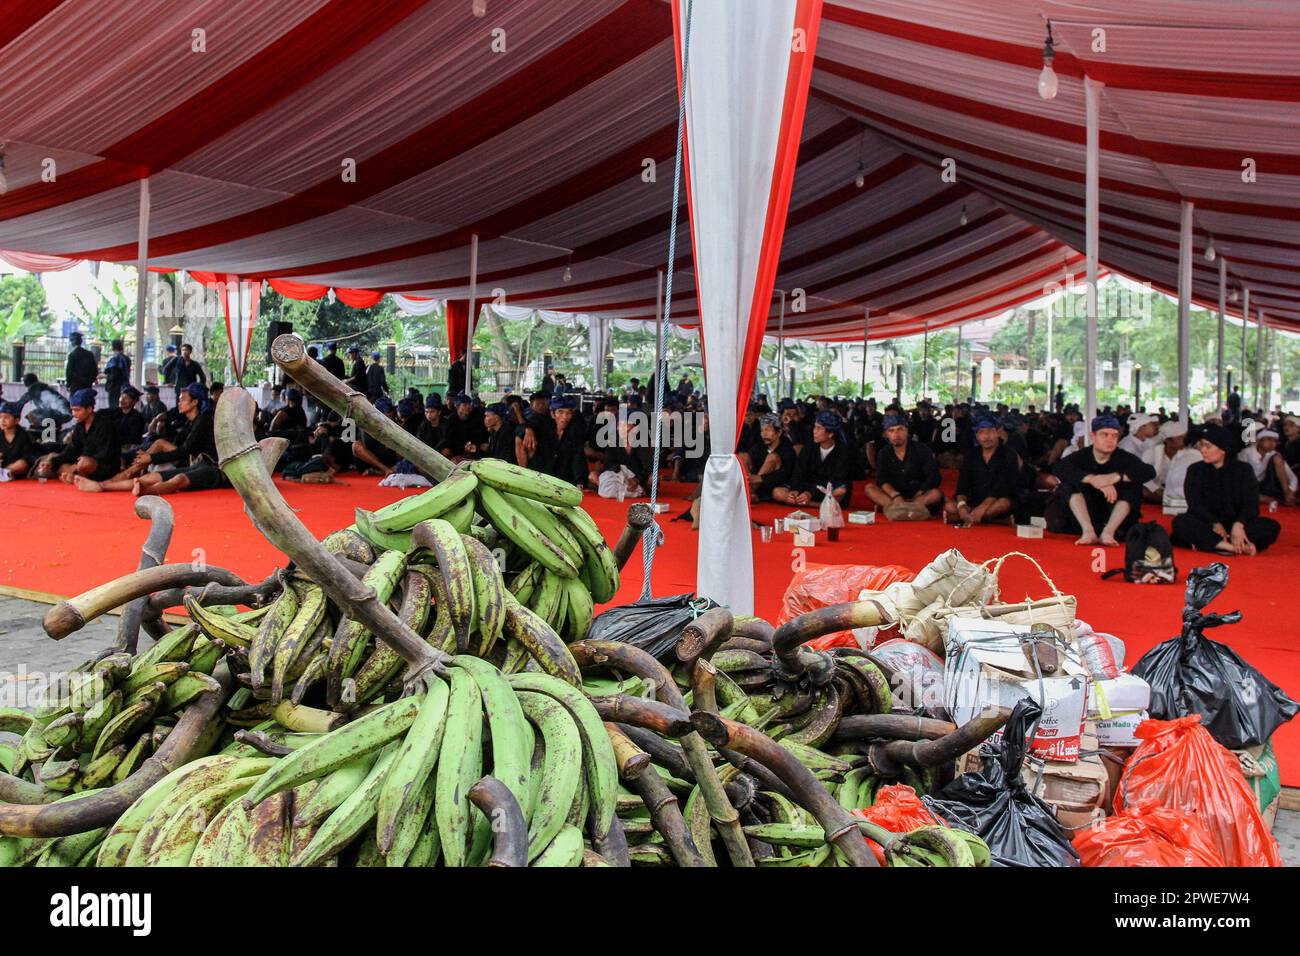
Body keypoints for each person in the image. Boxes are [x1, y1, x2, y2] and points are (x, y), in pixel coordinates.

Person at [76, 384, 226, 495]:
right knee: (150, 475)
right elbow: (176, 441)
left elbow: (184, 450)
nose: (179, 403)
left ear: (195, 402)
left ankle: (143, 487)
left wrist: (152, 458)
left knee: (178, 478)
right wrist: (162, 426)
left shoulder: (204, 421)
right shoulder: (190, 421)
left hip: (211, 467)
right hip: (195, 463)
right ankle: (102, 485)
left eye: (183, 400)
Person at [1172, 423, 1280, 555]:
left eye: (1208, 446)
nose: (1202, 450)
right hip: (1207, 523)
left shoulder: (1243, 470)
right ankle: (1231, 547)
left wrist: (1238, 524)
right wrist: (1214, 523)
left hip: (1236, 522)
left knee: (1271, 526)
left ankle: (1217, 543)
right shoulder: (1195, 470)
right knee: (1181, 523)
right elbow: (1195, 504)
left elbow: (1251, 505)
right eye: (1201, 446)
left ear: (1222, 449)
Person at [1048, 415, 1154, 546]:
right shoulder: (1081, 456)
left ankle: (1108, 532)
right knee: (1067, 486)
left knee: (1133, 486)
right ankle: (1088, 531)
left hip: (1113, 514)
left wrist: (1115, 478)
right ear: (1093, 436)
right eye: (1104, 435)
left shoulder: (1123, 457)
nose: (1110, 440)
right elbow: (1059, 468)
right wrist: (1092, 479)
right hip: (1084, 513)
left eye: (1114, 436)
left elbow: (1148, 471)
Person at [944, 414, 1018, 527]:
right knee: (949, 505)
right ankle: (994, 520)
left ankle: (964, 518)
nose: (986, 436)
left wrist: (984, 506)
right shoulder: (971, 455)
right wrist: (962, 506)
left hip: (996, 500)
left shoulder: (1008, 454)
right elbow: (962, 486)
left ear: (998, 432)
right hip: (973, 501)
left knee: (1003, 504)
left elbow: (1002, 486)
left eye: (990, 431)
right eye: (982, 432)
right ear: (977, 436)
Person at [867, 413, 943, 520]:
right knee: (869, 488)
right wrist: (895, 495)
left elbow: (933, 477)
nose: (896, 435)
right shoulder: (884, 453)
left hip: (919, 496)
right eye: (891, 431)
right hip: (894, 496)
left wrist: (919, 493)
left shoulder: (922, 449)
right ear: (886, 435)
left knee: (936, 494)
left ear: (907, 431)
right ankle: (909, 510)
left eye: (900, 429)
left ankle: (896, 510)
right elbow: (882, 479)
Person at [35, 389, 119, 483]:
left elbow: (105, 455)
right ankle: (75, 476)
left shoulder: (105, 425)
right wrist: (52, 462)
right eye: (72, 410)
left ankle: (78, 477)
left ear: (89, 409)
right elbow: (72, 449)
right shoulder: (80, 426)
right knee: (58, 464)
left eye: (77, 410)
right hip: (81, 463)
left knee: (84, 463)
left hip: (104, 466)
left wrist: (76, 465)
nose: (74, 414)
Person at [776, 411, 853, 507]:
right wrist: (796, 490)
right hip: (807, 488)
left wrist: (811, 493)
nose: (814, 431)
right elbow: (799, 471)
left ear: (830, 434)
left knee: (841, 491)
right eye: (815, 427)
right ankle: (811, 503)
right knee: (777, 492)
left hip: (825, 490)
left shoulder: (843, 451)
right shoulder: (810, 447)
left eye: (819, 428)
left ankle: (812, 504)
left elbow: (836, 479)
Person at [743, 413, 797, 503]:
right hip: (756, 485)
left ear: (779, 432)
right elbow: (752, 466)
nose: (764, 434)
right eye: (762, 430)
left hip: (774, 486)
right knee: (743, 456)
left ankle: (748, 492)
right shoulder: (758, 447)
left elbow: (786, 474)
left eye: (768, 430)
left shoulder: (787, 449)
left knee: (773, 457)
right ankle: (749, 492)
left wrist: (761, 478)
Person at [1240, 427, 1297, 506]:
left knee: (1277, 458)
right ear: (1259, 440)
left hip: (1267, 487)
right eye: (1269, 439)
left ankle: (1285, 497)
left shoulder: (1274, 455)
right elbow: (1240, 477)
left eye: (1275, 441)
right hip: (1249, 486)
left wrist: (1289, 491)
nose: (1272, 443)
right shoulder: (1246, 453)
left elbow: (1293, 478)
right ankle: (1280, 500)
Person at [352, 396, 400, 475]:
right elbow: (368, 445)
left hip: (390, 458)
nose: (387, 419)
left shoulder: (396, 420)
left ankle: (385, 470)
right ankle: (384, 469)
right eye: (384, 416)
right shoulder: (367, 422)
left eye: (389, 416)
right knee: (356, 446)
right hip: (372, 457)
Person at [0, 401, 35, 481]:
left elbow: (27, 457)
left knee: (22, 464)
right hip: (2, 463)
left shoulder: (24, 435)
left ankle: (5, 473)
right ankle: (4, 474)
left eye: (6, 417)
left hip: (15, 465)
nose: (2, 421)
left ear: (17, 420)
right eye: (0, 417)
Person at [109, 385, 146, 452]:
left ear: (134, 402)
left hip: (129, 447)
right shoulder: (115, 412)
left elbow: (133, 438)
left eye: (126, 398)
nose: (122, 400)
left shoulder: (137, 418)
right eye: (121, 397)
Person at [103, 338, 131, 407]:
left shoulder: (114, 360)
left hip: (115, 388)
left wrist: (105, 376)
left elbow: (113, 375)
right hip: (125, 387)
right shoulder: (127, 359)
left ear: (113, 348)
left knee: (114, 406)